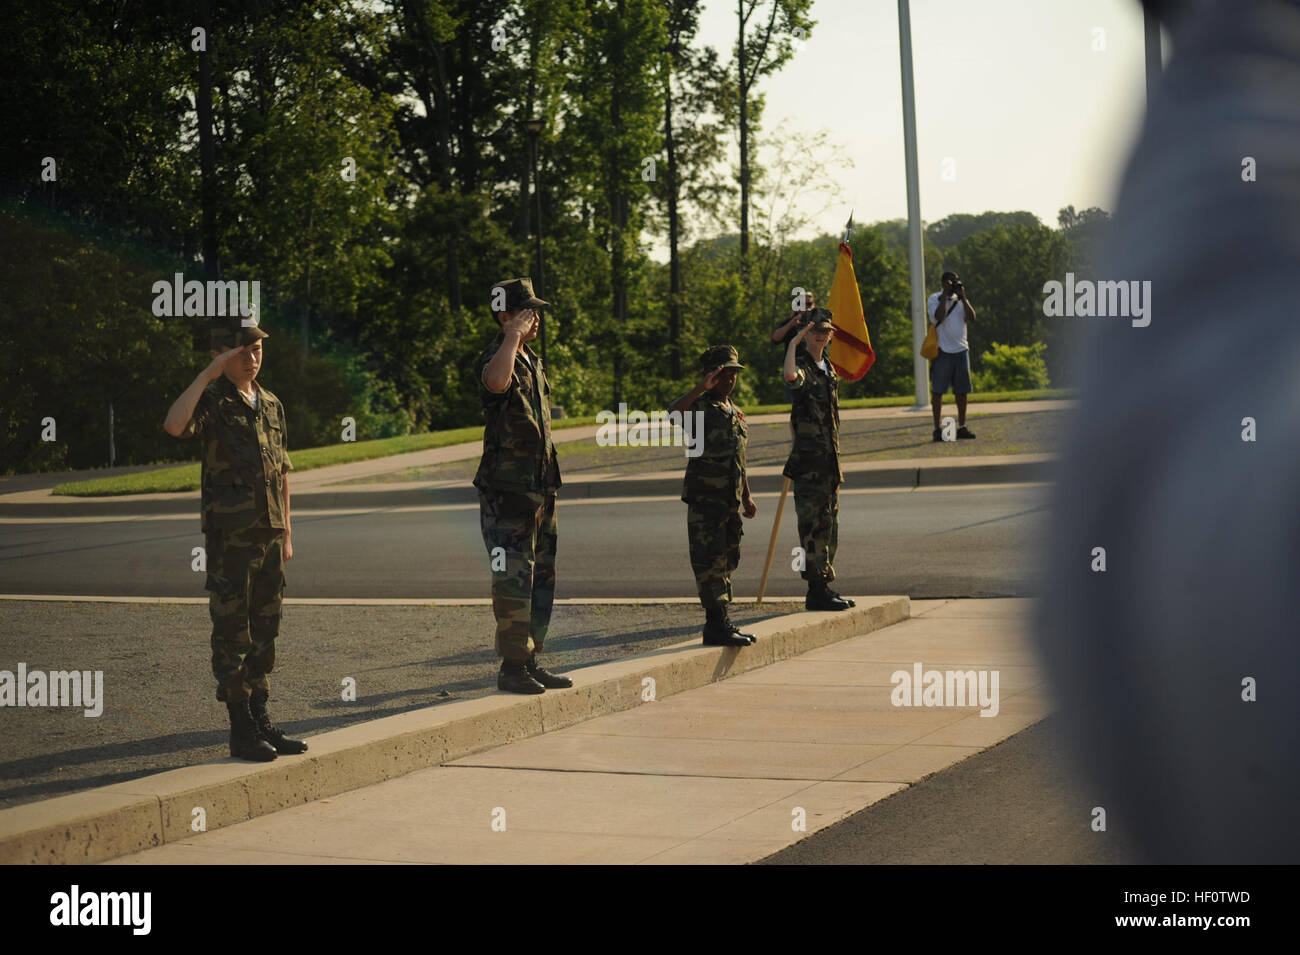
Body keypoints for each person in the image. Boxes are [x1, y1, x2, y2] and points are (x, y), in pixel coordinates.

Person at [162, 318, 307, 762]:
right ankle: (241, 729)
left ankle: (262, 720)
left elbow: (282, 472)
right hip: (231, 540)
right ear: (219, 355)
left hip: (269, 536)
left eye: (257, 350)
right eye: (241, 352)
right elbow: (173, 426)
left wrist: (287, 531)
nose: (252, 359)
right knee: (233, 632)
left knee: (266, 630)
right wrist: (208, 375)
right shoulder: (211, 400)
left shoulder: (272, 404)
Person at [475, 277, 572, 695]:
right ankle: (511, 667)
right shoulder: (498, 358)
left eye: (534, 310)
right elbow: (496, 384)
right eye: (525, 310)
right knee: (513, 578)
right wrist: (510, 337)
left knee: (541, 576)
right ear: (504, 315)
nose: (535, 318)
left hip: (540, 488)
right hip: (507, 492)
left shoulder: (532, 360)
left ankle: (531, 658)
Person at [669, 345, 758, 647]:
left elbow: (740, 461)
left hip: (729, 501)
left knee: (727, 558)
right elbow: (673, 413)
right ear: (710, 375)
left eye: (733, 373)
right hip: (706, 499)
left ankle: (721, 620)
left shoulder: (737, 414)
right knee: (709, 561)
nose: (730, 378)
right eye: (723, 373)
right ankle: (716, 623)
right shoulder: (700, 408)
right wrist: (700, 387)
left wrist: (747, 497)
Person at [783, 312, 854, 611]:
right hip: (809, 463)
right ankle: (815, 590)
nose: (821, 336)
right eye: (815, 332)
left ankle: (824, 583)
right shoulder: (802, 367)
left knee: (829, 525)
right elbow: (789, 378)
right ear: (806, 334)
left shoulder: (830, 370)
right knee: (812, 526)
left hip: (829, 461)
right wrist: (792, 345)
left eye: (825, 332)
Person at [926, 271, 978, 441]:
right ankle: (936, 428)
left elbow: (972, 318)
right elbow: (938, 316)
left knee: (962, 391)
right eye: (950, 284)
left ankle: (962, 426)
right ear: (943, 284)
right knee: (938, 391)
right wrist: (944, 296)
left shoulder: (961, 300)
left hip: (961, 350)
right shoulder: (934, 298)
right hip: (943, 351)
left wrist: (963, 297)